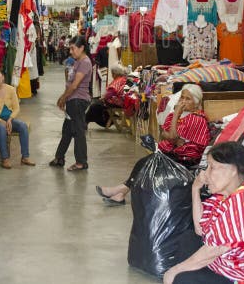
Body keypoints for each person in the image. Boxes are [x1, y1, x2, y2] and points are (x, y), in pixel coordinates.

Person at [162, 142, 244, 284]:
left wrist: (174, 270)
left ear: (232, 170)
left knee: (182, 278)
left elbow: (214, 249)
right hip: (235, 261)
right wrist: (195, 189)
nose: (205, 174)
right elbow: (200, 230)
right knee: (188, 239)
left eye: (212, 167)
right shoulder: (236, 191)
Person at [96, 84, 209, 205]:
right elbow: (164, 133)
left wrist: (175, 117)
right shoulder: (182, 114)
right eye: (182, 97)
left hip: (184, 160)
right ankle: (120, 192)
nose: (183, 101)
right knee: (145, 162)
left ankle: (120, 191)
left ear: (197, 103)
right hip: (173, 153)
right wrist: (174, 137)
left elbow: (171, 136)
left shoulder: (196, 118)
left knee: (147, 163)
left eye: (188, 99)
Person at [50, 35, 93, 171]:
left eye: (73, 49)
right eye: (70, 49)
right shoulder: (77, 61)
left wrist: (63, 98)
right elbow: (70, 82)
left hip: (78, 101)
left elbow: (75, 85)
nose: (71, 51)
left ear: (82, 48)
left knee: (78, 131)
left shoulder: (85, 62)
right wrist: (65, 98)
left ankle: (81, 162)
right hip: (72, 100)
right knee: (67, 130)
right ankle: (59, 157)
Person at [0, 67, 35, 169]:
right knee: (1, 127)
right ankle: (5, 159)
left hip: (8, 120)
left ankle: (25, 157)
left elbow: (16, 108)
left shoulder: (11, 89)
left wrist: (10, 119)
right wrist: (1, 121)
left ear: (3, 77)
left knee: (22, 126)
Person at [85, 64, 128, 128]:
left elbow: (110, 93)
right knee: (96, 104)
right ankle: (86, 121)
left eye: (112, 73)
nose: (112, 75)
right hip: (120, 101)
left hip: (116, 102)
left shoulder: (118, 81)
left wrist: (102, 98)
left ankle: (86, 121)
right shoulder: (122, 79)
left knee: (94, 106)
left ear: (115, 73)